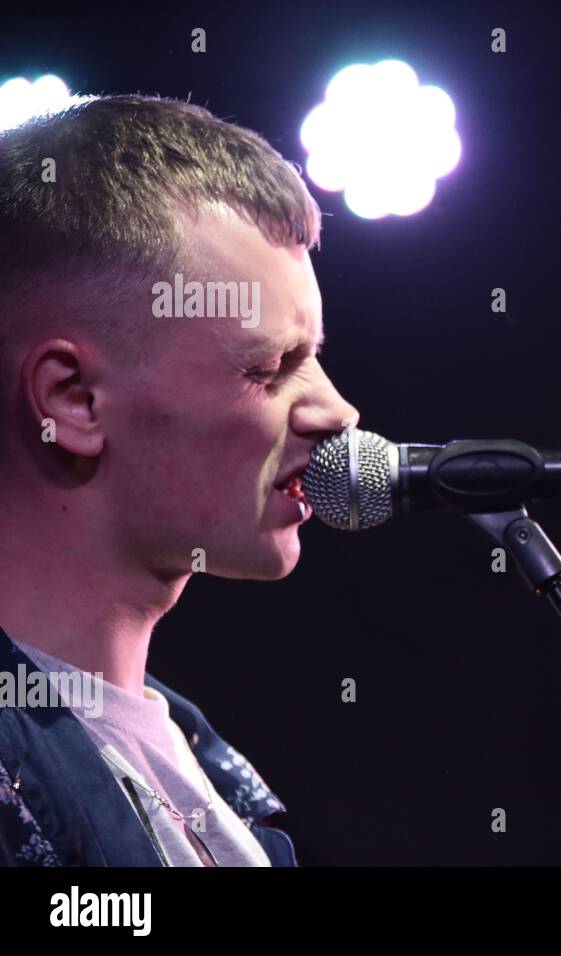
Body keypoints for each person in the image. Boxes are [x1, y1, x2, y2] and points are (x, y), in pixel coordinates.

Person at [0, 95, 360, 865]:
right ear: (74, 401)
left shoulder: (206, 766)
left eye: (317, 358)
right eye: (270, 368)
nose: (338, 410)